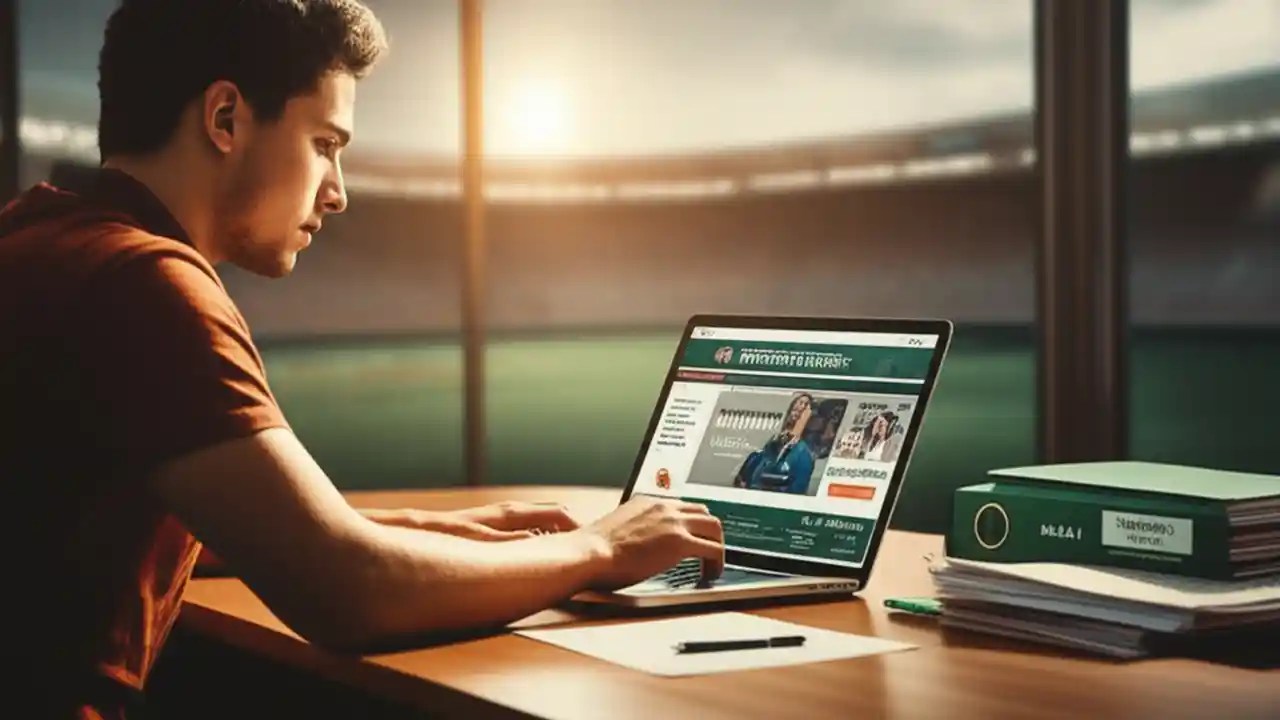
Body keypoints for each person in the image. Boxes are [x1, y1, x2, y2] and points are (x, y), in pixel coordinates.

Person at [0, 2, 724, 718]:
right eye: (325, 143)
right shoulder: (146, 286)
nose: (339, 193)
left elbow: (235, 530)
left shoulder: (36, 237)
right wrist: (599, 549)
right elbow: (348, 591)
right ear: (225, 119)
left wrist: (432, 532)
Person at [731, 393, 816, 494]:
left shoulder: (802, 454)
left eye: (805, 405)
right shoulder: (772, 444)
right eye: (798, 403)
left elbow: (795, 491)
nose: (800, 406)